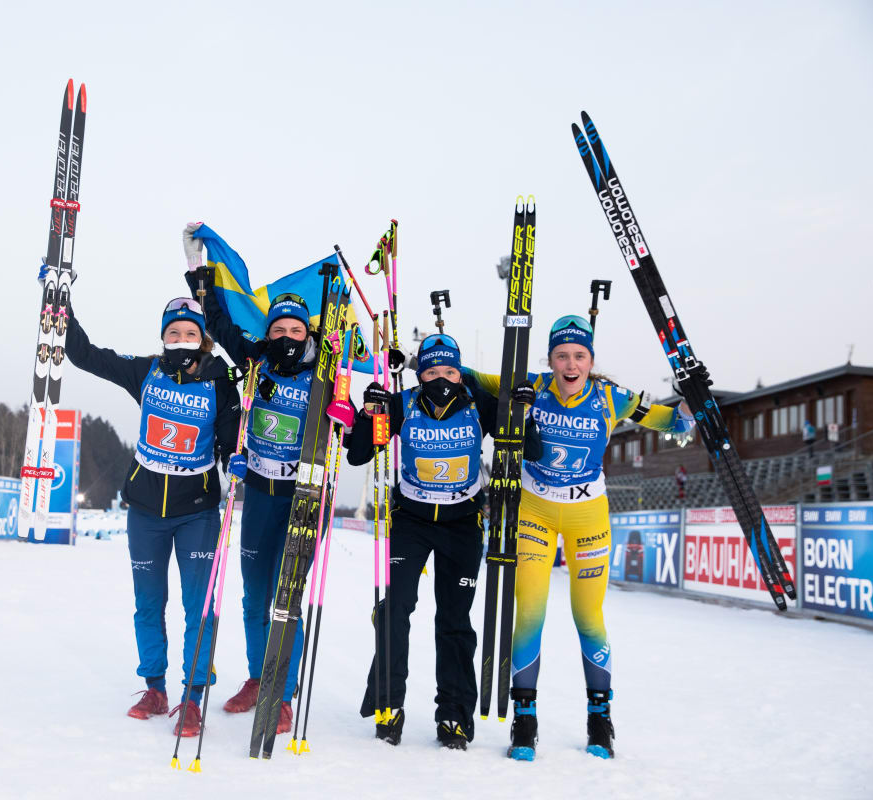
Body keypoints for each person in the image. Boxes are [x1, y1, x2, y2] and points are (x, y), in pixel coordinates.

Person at [473, 315, 701, 760]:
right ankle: (525, 720)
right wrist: (434, 369)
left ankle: (600, 719)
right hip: (535, 512)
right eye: (562, 355)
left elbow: (671, 424)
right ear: (551, 359)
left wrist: (691, 404)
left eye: (579, 355)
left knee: (589, 616)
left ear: (591, 360)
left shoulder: (612, 398)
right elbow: (468, 377)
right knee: (530, 613)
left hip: (588, 518)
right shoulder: (532, 384)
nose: (570, 363)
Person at [60, 278, 243, 738]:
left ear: (203, 338)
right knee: (149, 603)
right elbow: (84, 355)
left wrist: (235, 456)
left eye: (190, 334)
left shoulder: (221, 383)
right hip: (144, 511)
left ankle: (193, 698)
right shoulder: (145, 371)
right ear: (163, 337)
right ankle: (155, 688)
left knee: (199, 607)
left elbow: (227, 443)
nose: (181, 341)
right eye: (173, 333)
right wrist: (60, 304)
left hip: (197, 511)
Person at [344, 333, 539, 750]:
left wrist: (523, 411)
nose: (441, 378)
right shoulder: (403, 404)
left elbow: (533, 449)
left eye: (449, 370)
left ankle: (454, 714)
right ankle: (388, 705)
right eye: (432, 371)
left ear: (460, 371)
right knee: (396, 610)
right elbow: (359, 453)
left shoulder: (478, 403)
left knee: (454, 621)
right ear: (421, 373)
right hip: (411, 521)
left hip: (462, 523)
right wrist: (369, 411)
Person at [180, 222, 323, 736]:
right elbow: (217, 321)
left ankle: (283, 694)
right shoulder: (256, 360)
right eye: (279, 329)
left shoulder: (325, 374)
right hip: (259, 492)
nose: (286, 336)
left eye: (294, 330)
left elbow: (356, 426)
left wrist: (356, 417)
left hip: (303, 499)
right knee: (252, 596)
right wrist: (199, 269)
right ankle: (258, 677)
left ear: (307, 333)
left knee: (287, 596)